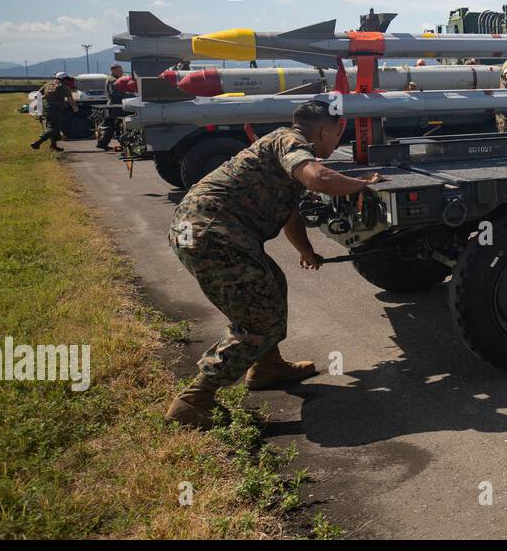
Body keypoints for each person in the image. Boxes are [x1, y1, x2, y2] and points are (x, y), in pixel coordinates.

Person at [165, 100, 382, 429]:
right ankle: (194, 400)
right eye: (339, 135)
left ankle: (267, 366)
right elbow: (318, 178)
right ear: (325, 131)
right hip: (212, 233)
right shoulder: (291, 143)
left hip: (201, 229)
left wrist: (307, 251)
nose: (338, 142)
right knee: (258, 320)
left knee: (271, 284)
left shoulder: (278, 143)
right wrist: (363, 184)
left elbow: (290, 213)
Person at [30, 72, 78, 151]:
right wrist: (75, 108)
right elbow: (70, 100)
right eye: (66, 79)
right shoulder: (64, 87)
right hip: (56, 109)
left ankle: (53, 145)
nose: (67, 81)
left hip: (46, 108)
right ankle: (37, 142)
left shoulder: (48, 84)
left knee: (52, 126)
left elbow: (37, 95)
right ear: (63, 79)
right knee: (54, 128)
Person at [95, 63, 127, 151]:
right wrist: (128, 95)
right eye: (119, 70)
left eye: (121, 70)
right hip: (115, 105)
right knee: (114, 126)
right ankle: (122, 144)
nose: (122, 72)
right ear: (113, 70)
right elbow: (115, 94)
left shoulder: (113, 79)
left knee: (112, 125)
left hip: (114, 105)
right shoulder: (113, 80)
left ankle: (103, 143)